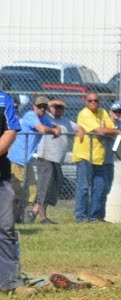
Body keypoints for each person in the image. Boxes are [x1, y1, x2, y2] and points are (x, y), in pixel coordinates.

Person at [72, 92, 121, 223]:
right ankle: (81, 216)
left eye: (96, 101)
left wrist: (108, 131)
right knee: (83, 187)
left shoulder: (102, 112)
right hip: (84, 155)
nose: (93, 103)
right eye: (90, 101)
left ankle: (96, 216)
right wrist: (114, 131)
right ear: (86, 102)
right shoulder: (84, 113)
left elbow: (109, 128)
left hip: (99, 156)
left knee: (100, 186)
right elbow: (100, 131)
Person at [12, 96, 60, 224]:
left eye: (44, 107)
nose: (42, 109)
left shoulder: (43, 118)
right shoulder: (30, 115)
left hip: (26, 161)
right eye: (40, 106)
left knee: (31, 191)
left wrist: (56, 129)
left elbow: (55, 126)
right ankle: (12, 218)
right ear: (34, 107)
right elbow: (42, 129)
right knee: (17, 190)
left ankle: (19, 217)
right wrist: (53, 130)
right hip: (16, 159)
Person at [31, 99, 72, 225]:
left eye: (60, 107)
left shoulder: (66, 122)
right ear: (50, 107)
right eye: (55, 106)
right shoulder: (46, 119)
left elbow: (78, 127)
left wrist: (80, 130)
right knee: (45, 187)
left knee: (52, 188)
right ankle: (43, 218)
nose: (58, 109)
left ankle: (33, 212)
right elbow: (40, 124)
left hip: (57, 160)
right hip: (45, 158)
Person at [0, 89, 21, 292]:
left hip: (1, 177)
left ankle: (9, 282)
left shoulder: (2, 99)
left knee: (5, 227)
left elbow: (11, 131)